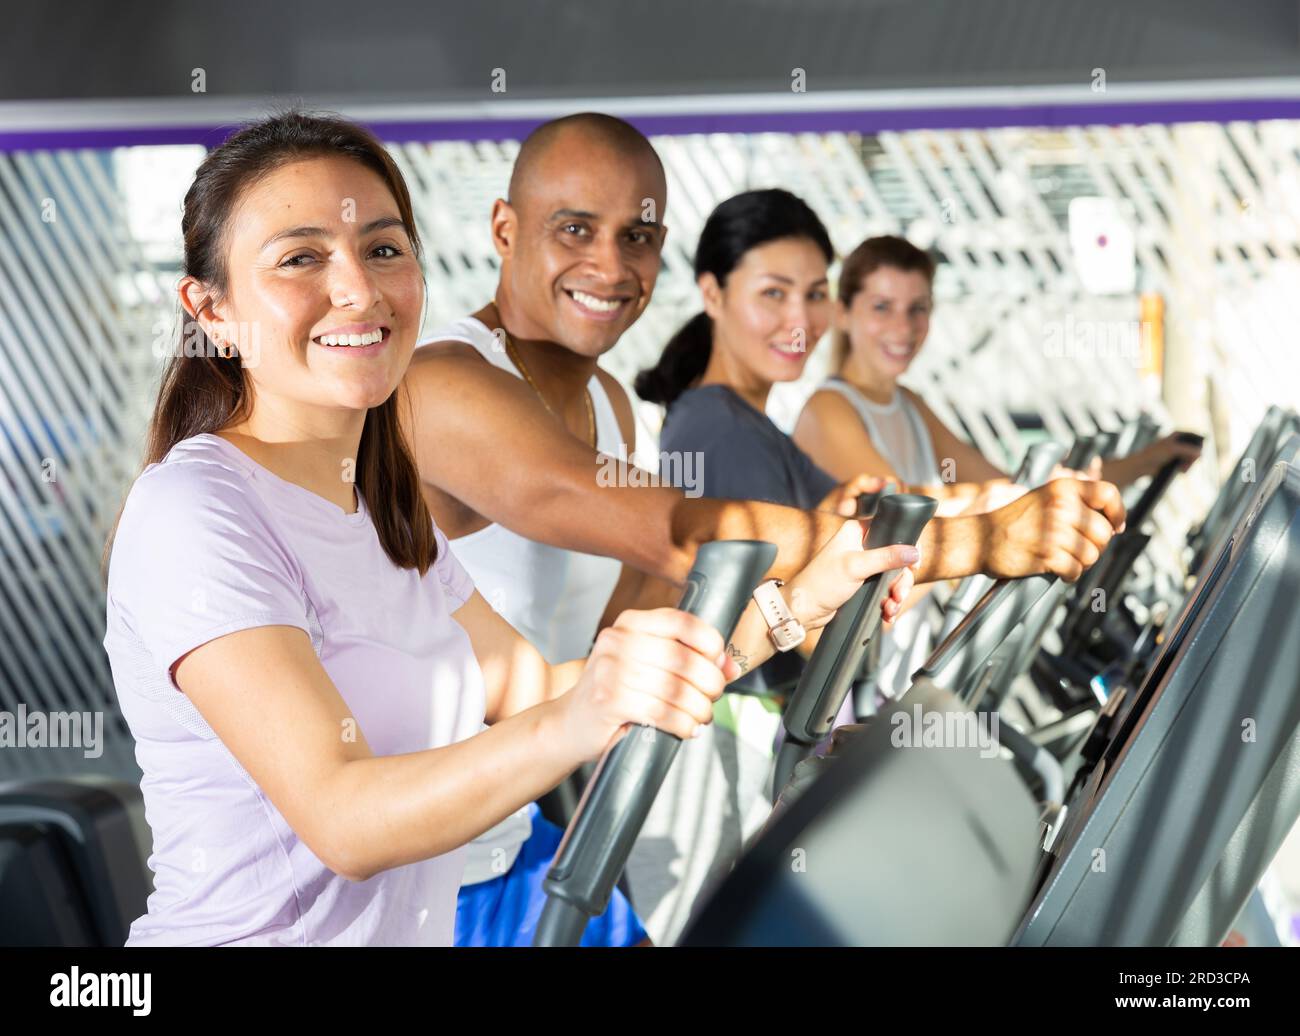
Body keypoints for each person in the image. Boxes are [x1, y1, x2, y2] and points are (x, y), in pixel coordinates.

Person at [101, 110, 920, 946]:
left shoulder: (383, 508)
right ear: (210, 309)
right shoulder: (196, 512)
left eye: (383, 249)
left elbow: (541, 689)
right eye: (301, 258)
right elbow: (344, 818)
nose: (359, 288)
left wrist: (790, 612)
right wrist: (583, 714)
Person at [402, 120, 1127, 942]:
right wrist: (983, 542)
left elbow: (642, 650)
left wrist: (800, 607)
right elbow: (687, 535)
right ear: (504, 227)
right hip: (417, 881)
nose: (608, 264)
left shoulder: (612, 409)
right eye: (575, 229)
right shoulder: (446, 384)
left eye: (635, 237)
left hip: (511, 842)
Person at [793, 235, 1203, 500]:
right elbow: (904, 517)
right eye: (882, 308)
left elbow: (1008, 489)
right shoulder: (830, 410)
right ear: (841, 313)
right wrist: (1029, 500)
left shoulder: (907, 403)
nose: (903, 327)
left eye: (917, 309)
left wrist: (1152, 459)